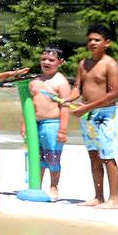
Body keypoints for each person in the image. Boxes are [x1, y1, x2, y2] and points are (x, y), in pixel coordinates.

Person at [72, 22, 118, 209]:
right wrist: (67, 100)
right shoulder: (83, 64)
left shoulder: (110, 64)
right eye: (90, 40)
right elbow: (77, 88)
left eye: (97, 40)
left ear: (107, 43)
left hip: (106, 116)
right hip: (88, 117)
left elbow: (114, 93)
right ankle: (98, 196)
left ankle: (114, 199)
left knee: (107, 156)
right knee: (93, 155)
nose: (92, 43)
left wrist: (86, 107)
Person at [28, 44, 73, 201]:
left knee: (53, 157)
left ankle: (53, 187)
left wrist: (63, 130)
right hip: (35, 124)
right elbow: (27, 105)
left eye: (51, 59)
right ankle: (36, 185)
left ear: (60, 62)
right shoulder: (35, 82)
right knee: (37, 156)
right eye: (43, 59)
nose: (46, 62)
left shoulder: (61, 82)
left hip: (53, 124)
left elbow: (65, 107)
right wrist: (24, 124)